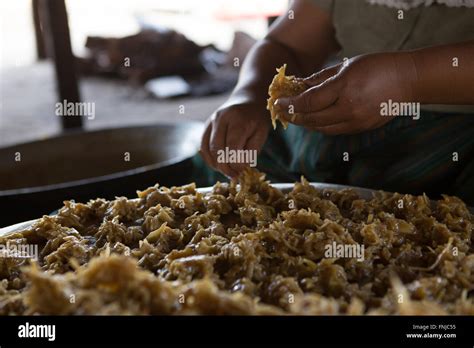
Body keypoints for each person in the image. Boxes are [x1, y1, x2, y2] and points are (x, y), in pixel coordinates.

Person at [198, 0, 474, 204]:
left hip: (456, 134)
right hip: (348, 115)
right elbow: (287, 45)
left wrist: (409, 80)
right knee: (241, 154)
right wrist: (250, 95)